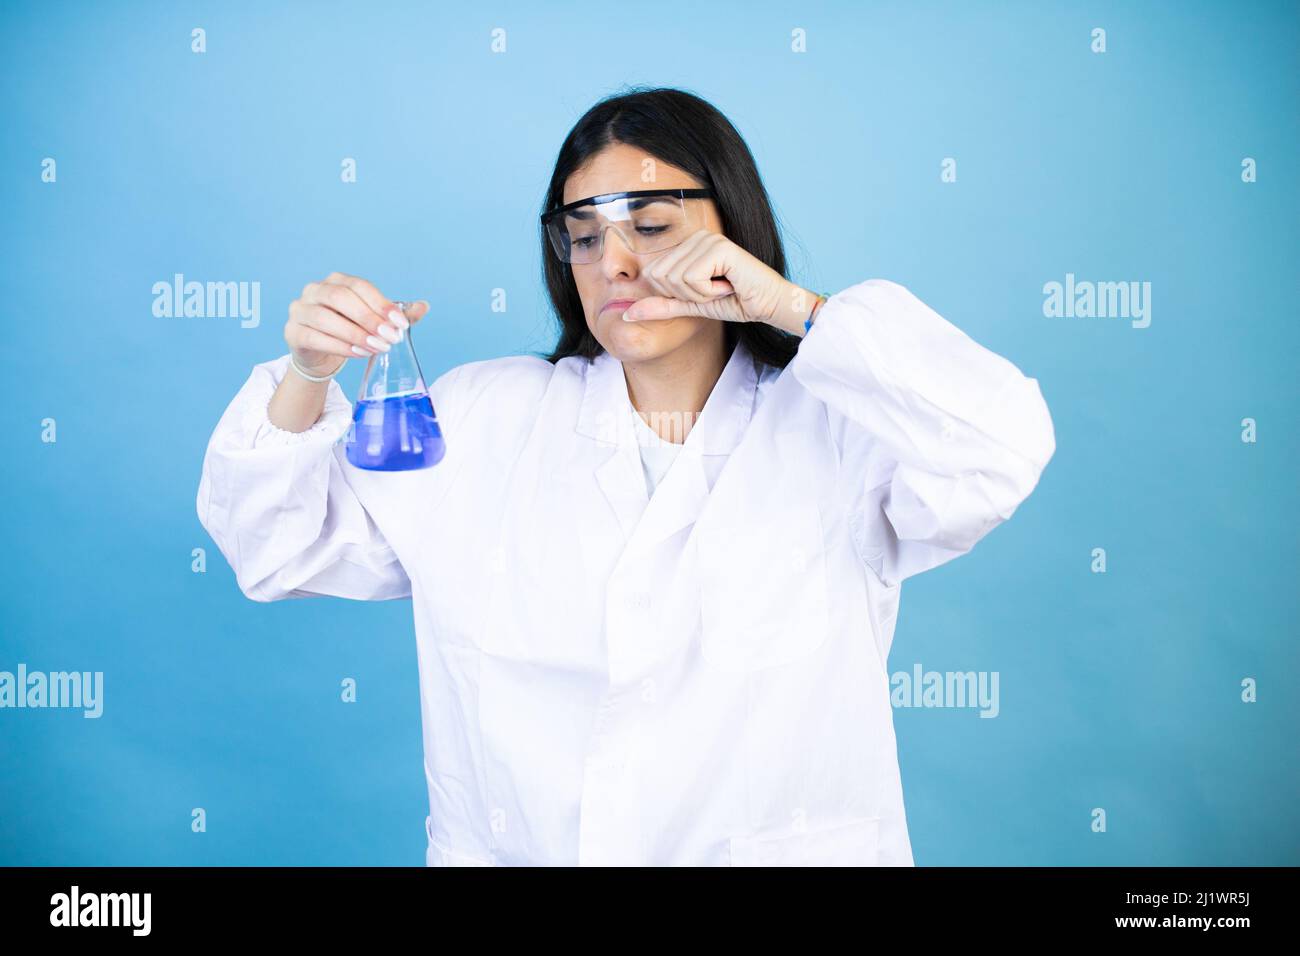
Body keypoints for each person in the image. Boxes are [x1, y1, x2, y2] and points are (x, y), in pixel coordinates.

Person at [196, 86, 1056, 866]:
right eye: (584, 235)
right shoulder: (485, 419)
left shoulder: (842, 427)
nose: (615, 261)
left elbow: (999, 446)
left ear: (734, 227)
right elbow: (277, 549)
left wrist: (793, 309)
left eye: (650, 227)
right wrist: (310, 371)